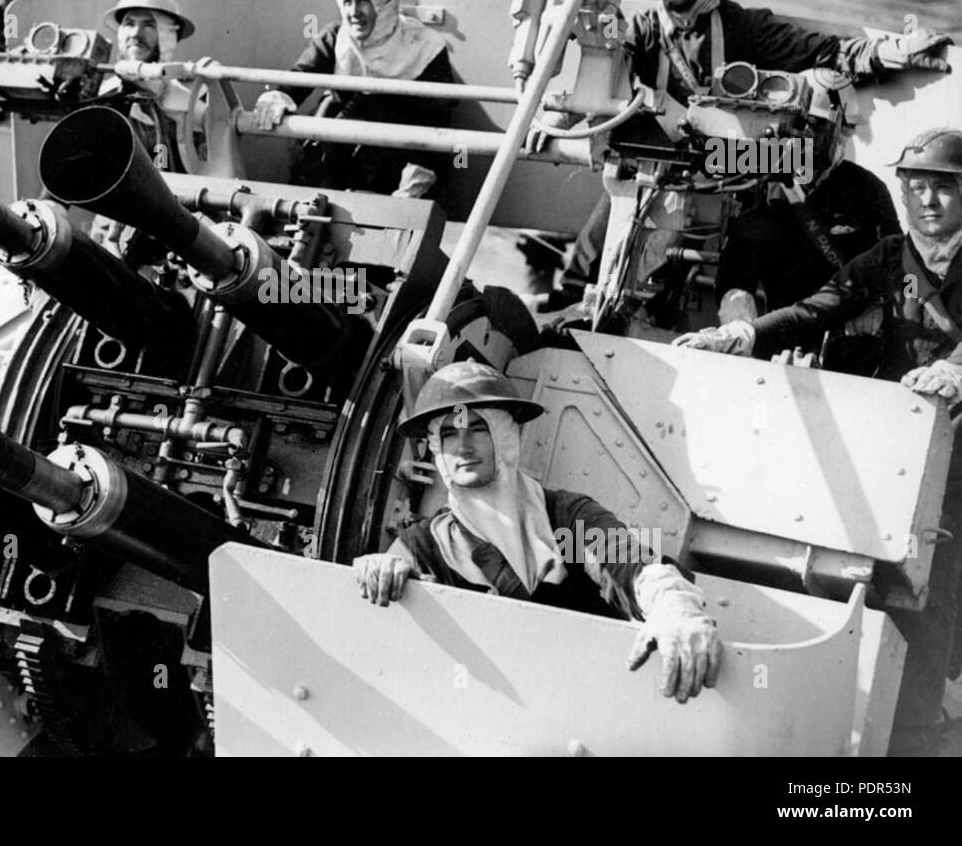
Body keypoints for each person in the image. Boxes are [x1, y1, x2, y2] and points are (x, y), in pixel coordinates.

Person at [673, 128, 962, 754]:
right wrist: (742, 337)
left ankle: (911, 741)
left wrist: (957, 369)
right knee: (868, 577)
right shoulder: (888, 257)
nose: (927, 201)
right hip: (900, 453)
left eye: (943, 187)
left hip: (956, 463)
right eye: (916, 186)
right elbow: (819, 307)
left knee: (936, 599)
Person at [557, 0, 952, 305]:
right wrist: (598, 23)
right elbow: (616, 45)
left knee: (769, 207)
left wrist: (890, 52)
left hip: (732, 167)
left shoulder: (744, 28)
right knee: (588, 260)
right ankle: (573, 302)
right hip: (657, 166)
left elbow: (825, 51)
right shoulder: (645, 30)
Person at [354, 361, 722, 703]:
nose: (462, 446)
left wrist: (671, 601)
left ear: (507, 435)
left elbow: (627, 560)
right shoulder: (422, 546)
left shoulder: (566, 516)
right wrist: (380, 573)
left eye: (478, 428)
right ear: (436, 447)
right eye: (448, 434)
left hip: (589, 703)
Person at [712, 68, 901, 341]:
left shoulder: (867, 190)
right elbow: (739, 256)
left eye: (813, 126)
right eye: (796, 125)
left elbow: (903, 269)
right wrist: (736, 298)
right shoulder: (760, 180)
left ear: (842, 132)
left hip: (848, 335)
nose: (801, 137)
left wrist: (885, 308)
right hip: (779, 328)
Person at [252, 0, 456, 198]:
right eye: (347, 1)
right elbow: (304, 73)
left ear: (385, 3)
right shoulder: (336, 37)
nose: (354, 12)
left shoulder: (427, 47)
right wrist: (278, 95)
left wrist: (423, 170)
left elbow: (438, 119)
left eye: (363, 0)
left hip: (399, 155)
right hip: (340, 147)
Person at [97, 0, 204, 172]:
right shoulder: (103, 93)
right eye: (129, 24)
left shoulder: (195, 96)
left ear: (169, 37)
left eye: (149, 25)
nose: (136, 34)